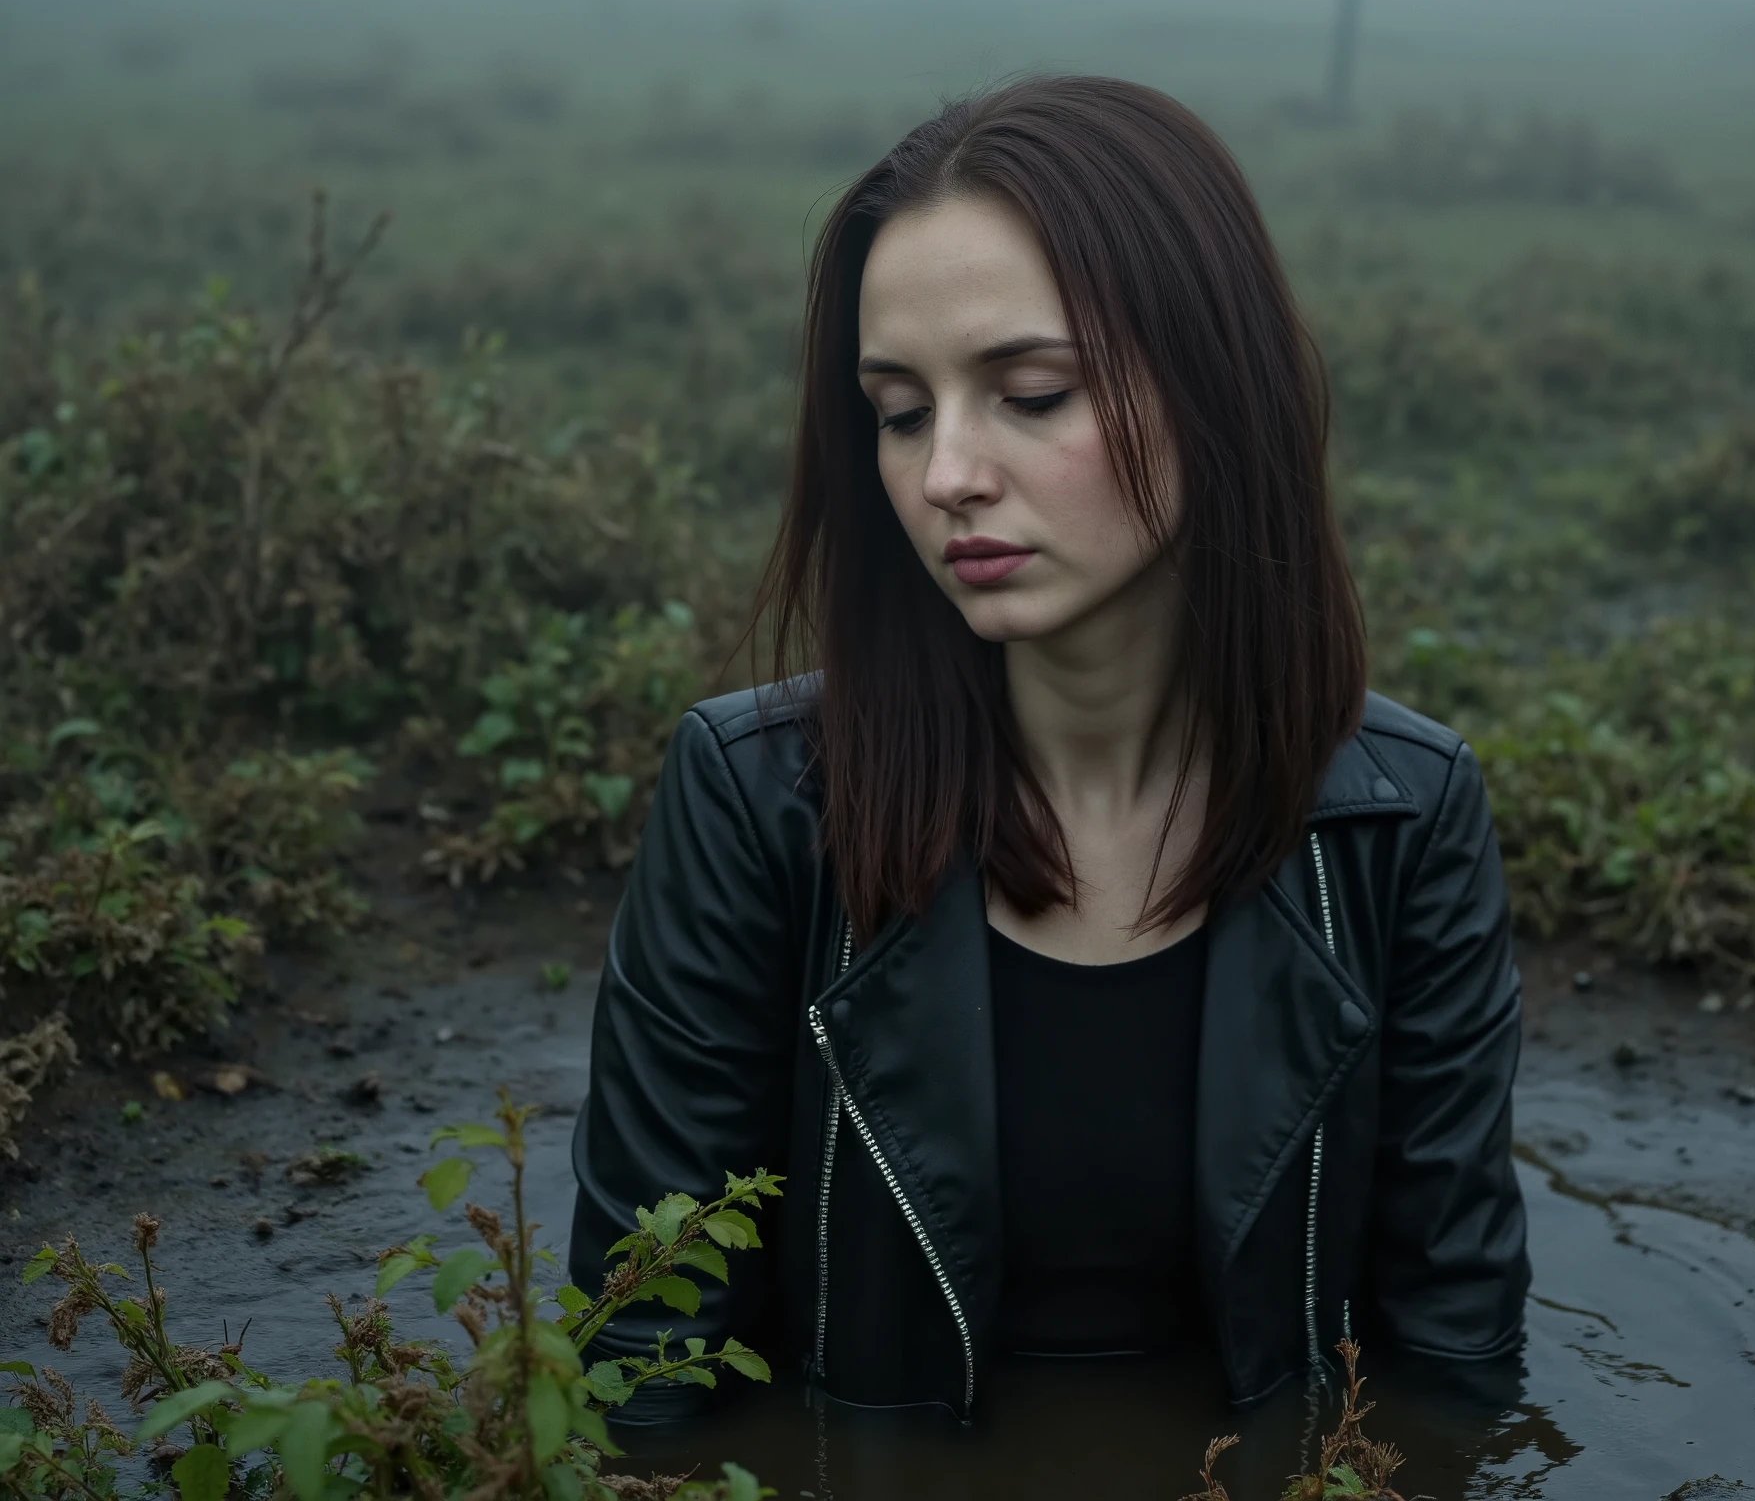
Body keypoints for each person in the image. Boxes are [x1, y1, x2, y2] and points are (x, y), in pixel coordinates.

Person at [569, 74, 1528, 1423]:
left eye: (1032, 391)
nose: (947, 471)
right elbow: (645, 1368)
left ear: (1218, 387)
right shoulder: (758, 801)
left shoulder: (1398, 820)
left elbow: (1453, 1371)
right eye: (901, 412)